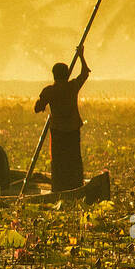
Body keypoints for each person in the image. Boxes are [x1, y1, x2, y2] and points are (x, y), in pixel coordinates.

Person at [34, 48, 90, 191]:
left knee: (59, 160)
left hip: (58, 131)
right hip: (72, 129)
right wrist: (81, 56)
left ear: (54, 75)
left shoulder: (49, 91)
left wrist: (42, 102)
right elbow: (85, 73)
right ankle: (75, 185)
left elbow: (37, 108)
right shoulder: (72, 86)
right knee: (74, 158)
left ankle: (59, 187)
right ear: (67, 74)